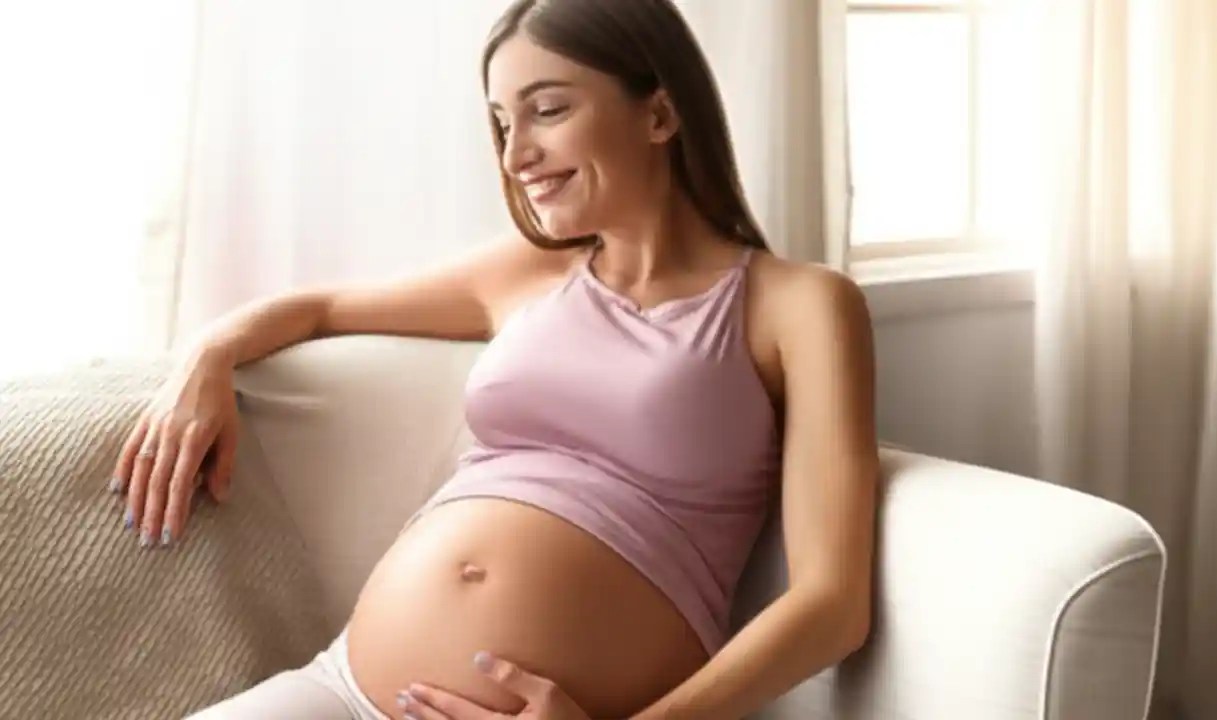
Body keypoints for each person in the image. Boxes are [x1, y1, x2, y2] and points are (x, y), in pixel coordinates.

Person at [113, 0, 880, 718]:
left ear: (659, 112)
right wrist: (206, 358)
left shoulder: (801, 306)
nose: (516, 156)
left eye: (548, 110)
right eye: (502, 123)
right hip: (341, 687)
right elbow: (323, 308)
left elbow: (832, 603)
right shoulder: (530, 270)